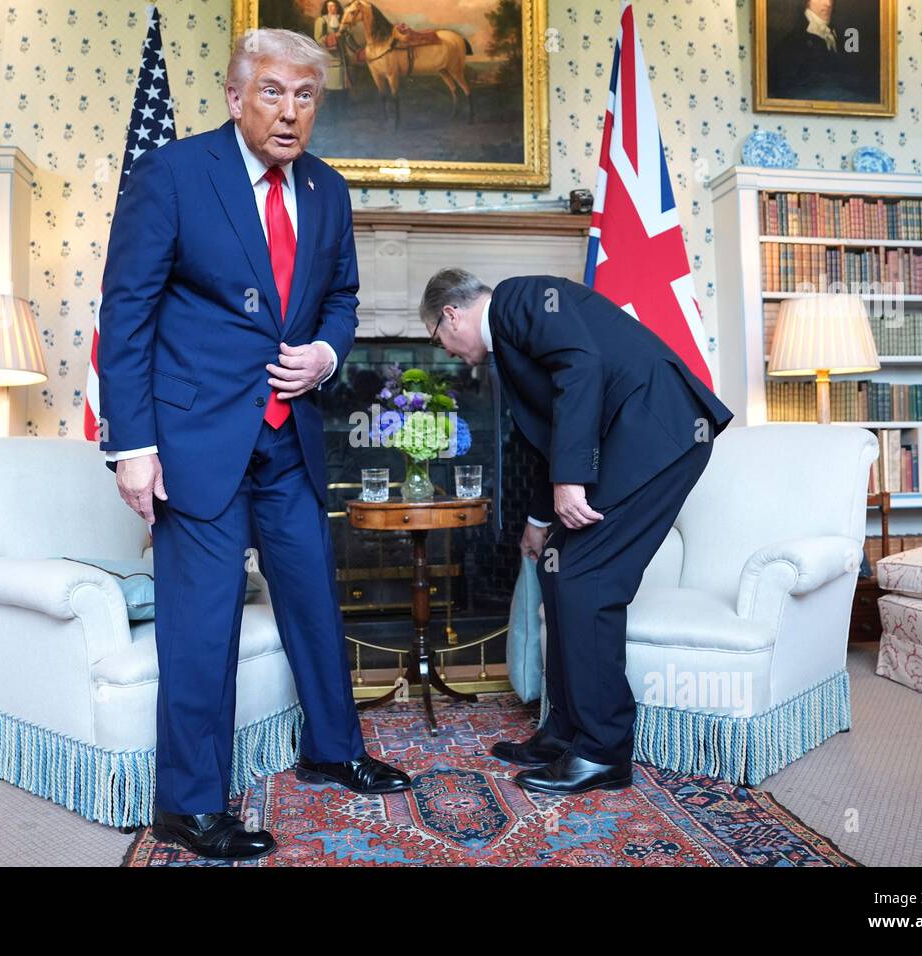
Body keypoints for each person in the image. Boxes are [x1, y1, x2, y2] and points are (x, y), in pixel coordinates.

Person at [97, 27, 410, 862]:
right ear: (236, 97)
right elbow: (125, 314)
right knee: (202, 626)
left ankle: (334, 749)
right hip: (195, 440)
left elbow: (340, 295)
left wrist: (328, 353)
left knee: (314, 598)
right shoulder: (171, 174)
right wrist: (131, 445)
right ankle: (188, 806)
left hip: (290, 440)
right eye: (272, 91)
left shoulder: (330, 191)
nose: (289, 111)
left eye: (305, 96)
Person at [420, 269, 734, 795]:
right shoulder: (512, 341)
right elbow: (552, 433)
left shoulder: (519, 297)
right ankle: (562, 732)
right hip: (626, 443)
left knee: (587, 580)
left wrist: (571, 480)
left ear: (451, 314)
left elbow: (581, 367)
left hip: (661, 433)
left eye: (438, 339)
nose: (447, 351)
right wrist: (540, 521)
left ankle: (603, 751)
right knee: (555, 570)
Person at [312, 0, 353, 117]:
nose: (332, 9)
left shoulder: (342, 20)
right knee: (331, 88)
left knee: (344, 88)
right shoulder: (322, 20)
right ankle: (332, 115)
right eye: (329, 6)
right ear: (326, 8)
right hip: (330, 57)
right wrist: (332, 38)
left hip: (343, 57)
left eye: (334, 6)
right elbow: (318, 38)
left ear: (337, 8)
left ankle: (344, 113)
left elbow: (348, 36)